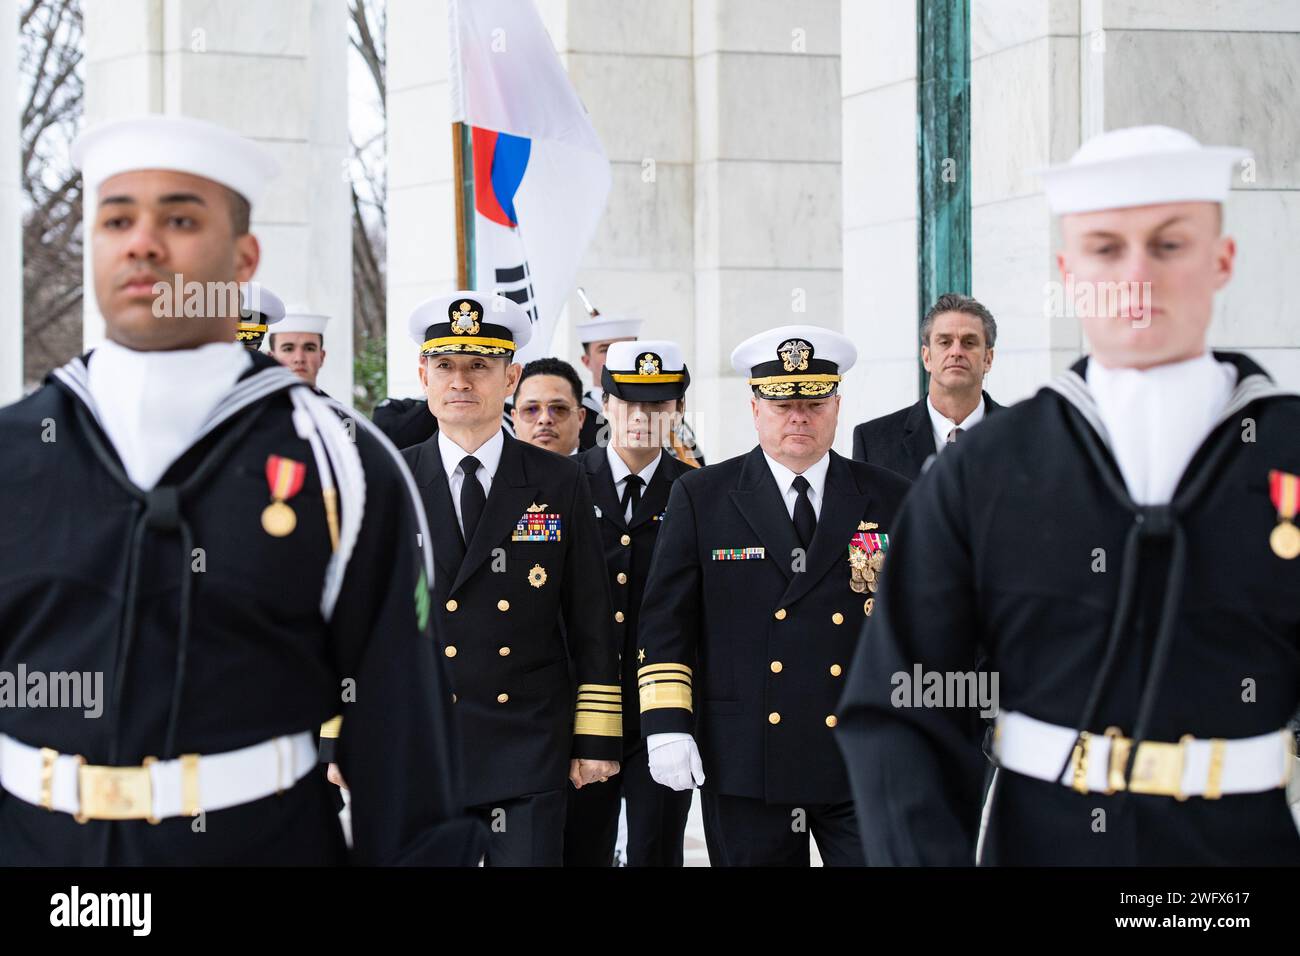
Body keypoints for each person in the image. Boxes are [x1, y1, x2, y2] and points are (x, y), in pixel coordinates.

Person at [0, 114, 480, 865]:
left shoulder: (344, 463)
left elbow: (400, 730)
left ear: (242, 255)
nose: (143, 242)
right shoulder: (13, 450)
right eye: (117, 217)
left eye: (181, 217)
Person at [836, 125, 1300, 865]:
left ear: (1222, 260)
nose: (1138, 275)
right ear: (1069, 269)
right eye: (1107, 248)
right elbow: (902, 702)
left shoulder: (1287, 454)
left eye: (1170, 244)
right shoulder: (984, 469)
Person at [636, 326, 911, 866]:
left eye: (814, 401)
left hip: (861, 753)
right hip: (746, 754)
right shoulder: (702, 495)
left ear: (837, 405)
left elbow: (918, 622)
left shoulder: (890, 495)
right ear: (755, 407)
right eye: (783, 402)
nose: (799, 416)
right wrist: (667, 723)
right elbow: (667, 621)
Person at [401, 291, 622, 866]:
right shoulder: (389, 477)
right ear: (423, 375)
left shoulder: (559, 481)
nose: (461, 381)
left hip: (527, 740)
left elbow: (589, 615)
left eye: (480, 366)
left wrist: (595, 736)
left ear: (510, 376)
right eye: (445, 366)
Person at [564, 340, 696, 867]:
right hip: (581, 706)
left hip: (661, 711)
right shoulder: (564, 482)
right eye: (629, 402)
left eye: (659, 404)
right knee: (578, 848)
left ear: (679, 409)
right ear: (605, 401)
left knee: (656, 851)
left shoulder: (696, 490)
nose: (642, 416)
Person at [852, 293, 1003, 479]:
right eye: (945, 342)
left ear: (988, 358)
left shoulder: (1030, 435)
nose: (956, 351)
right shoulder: (873, 442)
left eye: (969, 342)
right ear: (926, 357)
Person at [510, 357, 586, 457]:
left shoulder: (609, 471)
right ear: (514, 418)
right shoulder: (492, 471)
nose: (545, 419)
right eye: (531, 409)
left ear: (580, 417)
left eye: (559, 408)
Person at [268, 307, 329, 391]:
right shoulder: (255, 404)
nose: (299, 358)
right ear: (271, 359)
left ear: (321, 357)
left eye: (309, 349)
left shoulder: (330, 404)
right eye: (288, 349)